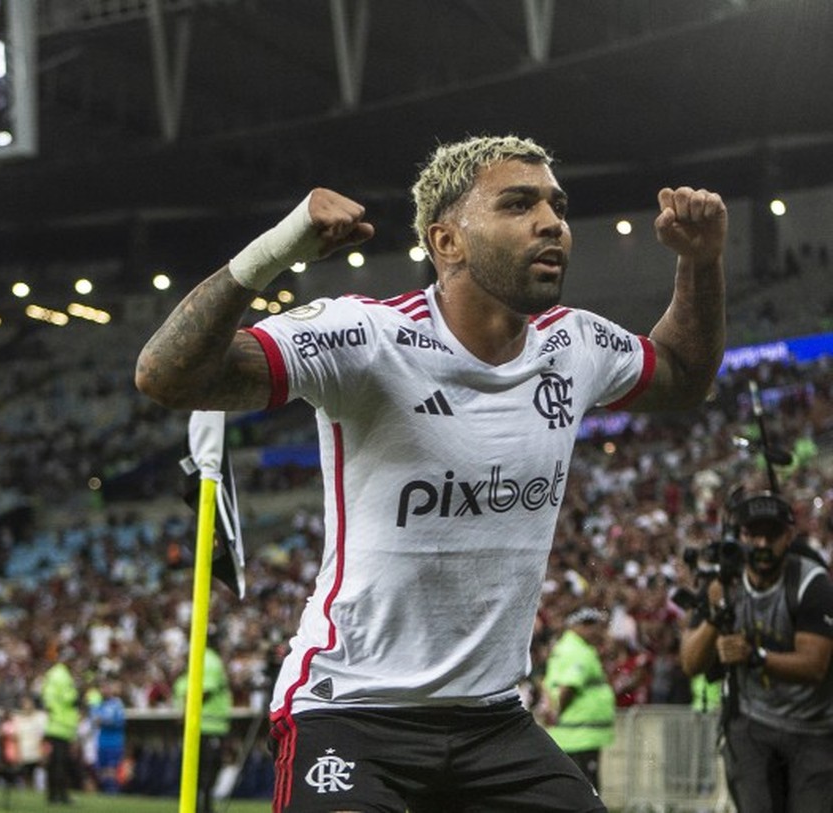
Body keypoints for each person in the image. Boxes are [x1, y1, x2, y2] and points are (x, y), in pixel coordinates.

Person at [136, 133, 728, 812]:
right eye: (518, 203)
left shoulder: (577, 343)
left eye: (556, 205)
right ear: (447, 242)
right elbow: (165, 374)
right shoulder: (366, 338)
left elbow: (682, 376)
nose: (552, 222)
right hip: (350, 709)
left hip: (492, 719)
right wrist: (276, 249)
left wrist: (701, 264)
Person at [679, 489, 833, 812]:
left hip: (813, 728)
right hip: (752, 725)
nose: (762, 545)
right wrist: (715, 616)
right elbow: (691, 662)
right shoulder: (724, 581)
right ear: (740, 536)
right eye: (753, 534)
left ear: (789, 536)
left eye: (772, 535)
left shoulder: (811, 583)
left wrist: (754, 656)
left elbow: (815, 666)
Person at [543, 607, 616, 792]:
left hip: (574, 733)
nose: (596, 630)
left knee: (573, 788)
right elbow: (568, 687)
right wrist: (557, 713)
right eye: (589, 625)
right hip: (580, 734)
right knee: (586, 790)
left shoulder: (565, 647)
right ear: (576, 626)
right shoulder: (578, 651)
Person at [173, 645, 233, 813]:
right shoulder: (202, 660)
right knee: (201, 775)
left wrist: (185, 711)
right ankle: (201, 808)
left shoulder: (206, 661)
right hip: (201, 728)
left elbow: (203, 691)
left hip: (205, 727)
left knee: (202, 775)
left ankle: (201, 808)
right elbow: (197, 691)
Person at [41, 658, 80, 805]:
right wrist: (75, 694)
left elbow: (48, 698)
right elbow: (67, 697)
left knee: (55, 763)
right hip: (60, 726)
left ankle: (53, 795)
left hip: (56, 725)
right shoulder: (61, 675)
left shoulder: (55, 674)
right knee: (60, 764)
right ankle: (60, 796)